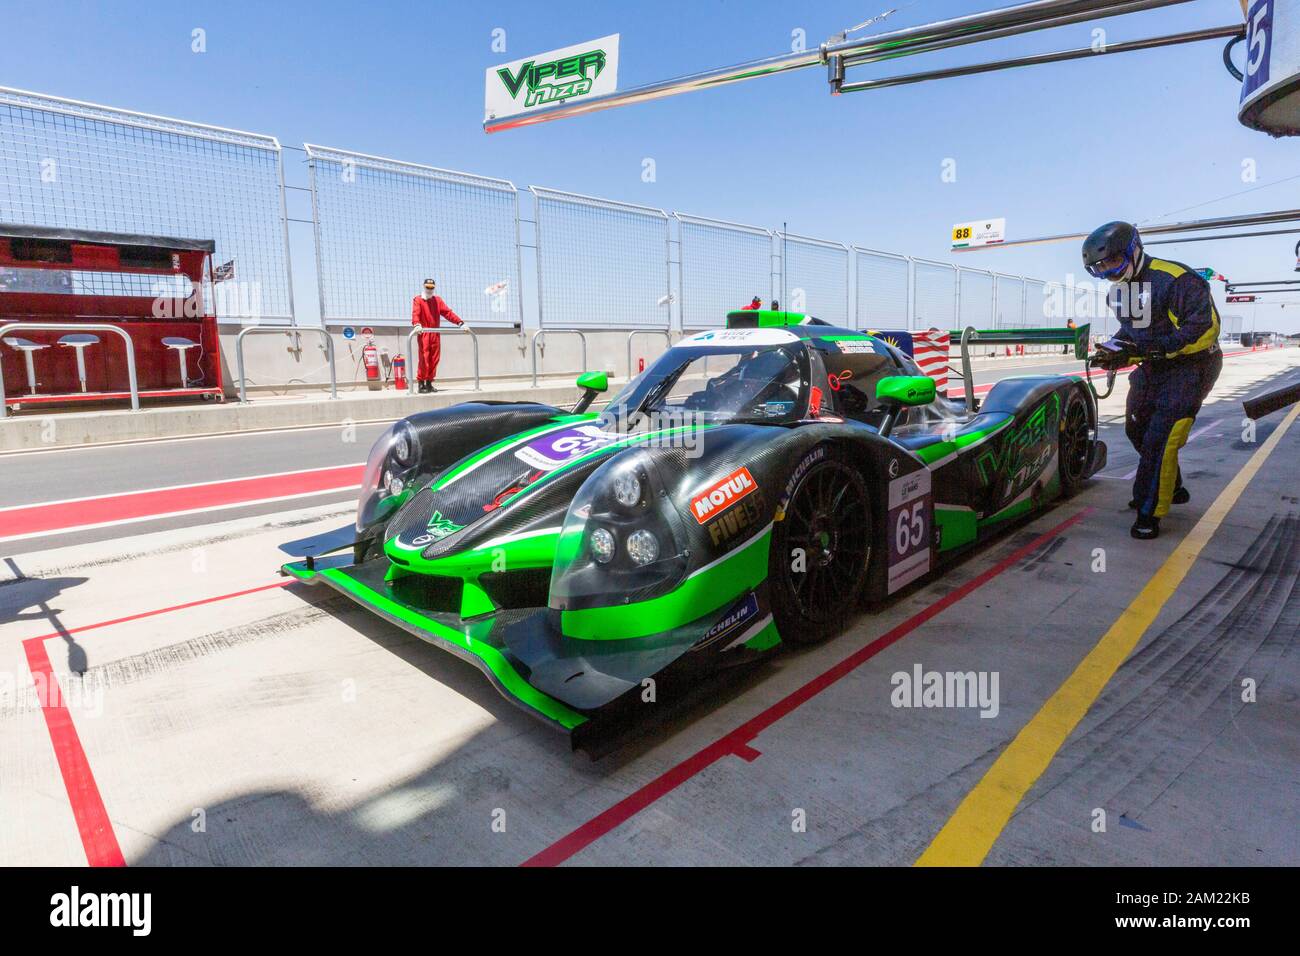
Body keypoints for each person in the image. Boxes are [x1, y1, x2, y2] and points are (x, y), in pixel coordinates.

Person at [1083, 221, 1222, 540]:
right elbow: (1132, 334)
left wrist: (1155, 349)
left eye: (1112, 263)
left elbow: (1205, 329)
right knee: (1137, 429)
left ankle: (1149, 511)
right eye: (1099, 269)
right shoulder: (1116, 292)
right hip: (1154, 365)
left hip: (1193, 365)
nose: (1108, 273)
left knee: (1163, 437)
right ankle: (1171, 487)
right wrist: (1114, 351)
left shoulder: (1177, 279)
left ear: (1133, 251)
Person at [411, 278, 464, 393]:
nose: (429, 290)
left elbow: (447, 313)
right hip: (424, 332)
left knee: (434, 358)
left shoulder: (437, 300)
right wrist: (417, 324)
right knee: (424, 358)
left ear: (434, 288)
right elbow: (416, 313)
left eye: (431, 288)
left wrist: (460, 322)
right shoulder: (418, 300)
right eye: (427, 287)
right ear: (423, 287)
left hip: (435, 333)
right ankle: (421, 384)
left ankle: (429, 383)